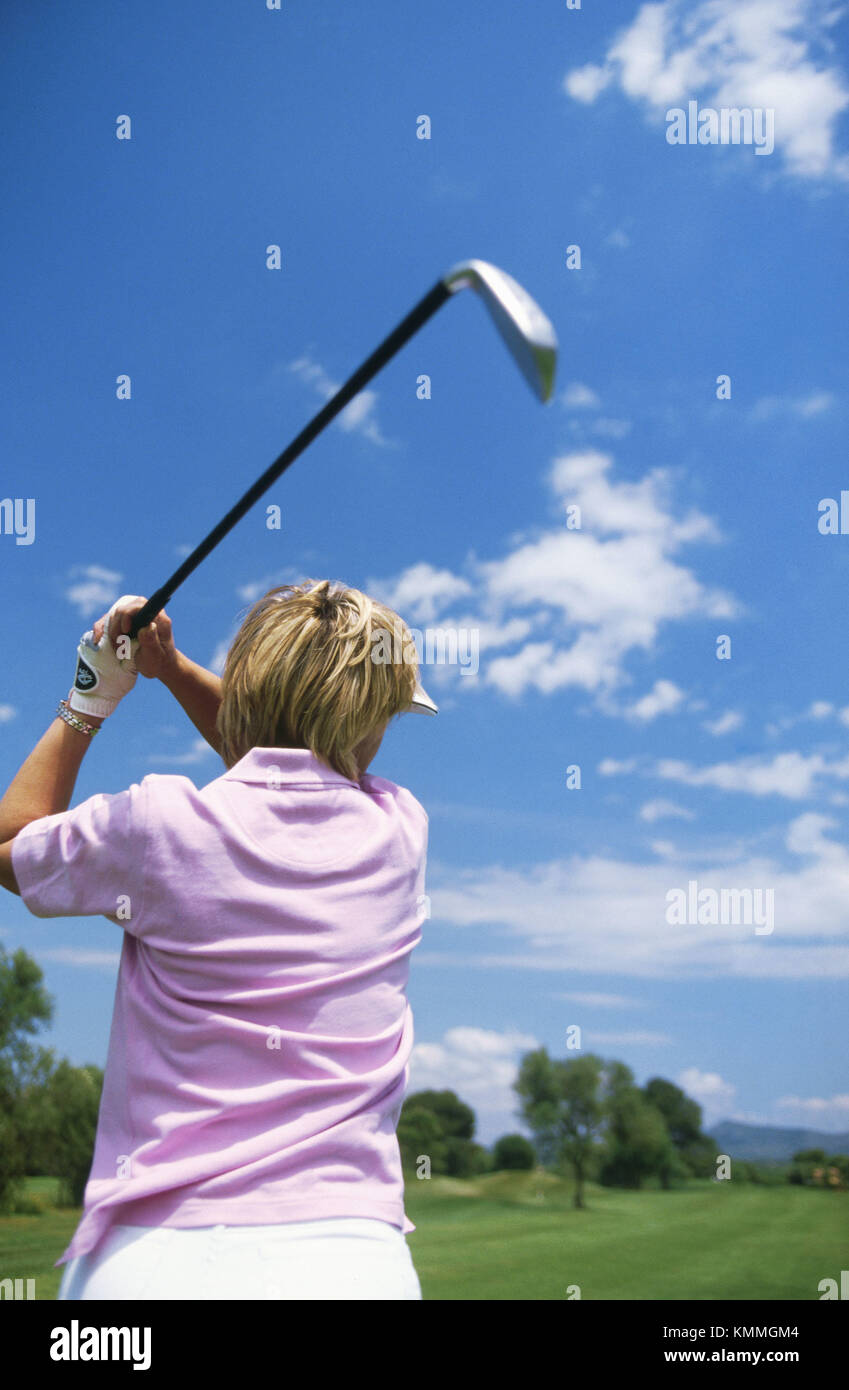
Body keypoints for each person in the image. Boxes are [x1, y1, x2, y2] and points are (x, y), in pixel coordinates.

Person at [0, 579, 436, 1300]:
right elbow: (284, 753)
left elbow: (11, 843)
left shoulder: (155, 827)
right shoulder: (399, 829)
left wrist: (92, 696)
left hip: (151, 1263)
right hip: (355, 1264)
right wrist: (170, 668)